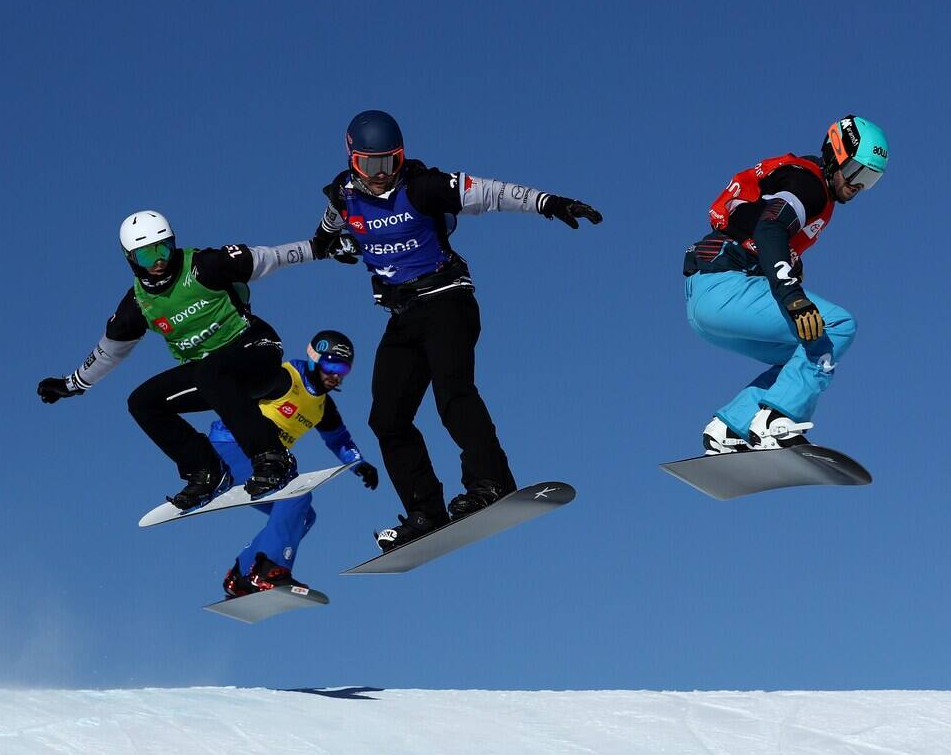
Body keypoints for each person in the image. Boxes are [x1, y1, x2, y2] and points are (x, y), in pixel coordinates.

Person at [310, 109, 602, 551]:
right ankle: (424, 511)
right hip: (402, 316)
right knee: (386, 418)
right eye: (372, 165)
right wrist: (333, 243)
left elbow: (491, 193)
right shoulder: (343, 197)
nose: (382, 174)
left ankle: (491, 483)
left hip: (447, 300)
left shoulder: (424, 186)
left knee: (453, 393)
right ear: (354, 161)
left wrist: (548, 202)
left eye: (391, 161)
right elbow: (329, 230)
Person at [37, 210, 336, 508]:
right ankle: (206, 471)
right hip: (215, 377)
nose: (158, 261)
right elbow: (109, 351)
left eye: (163, 248)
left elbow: (268, 258)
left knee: (209, 372)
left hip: (256, 350)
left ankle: (272, 457)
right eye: (146, 255)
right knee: (142, 403)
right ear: (130, 258)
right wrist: (72, 384)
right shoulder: (139, 304)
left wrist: (318, 248)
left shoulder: (203, 266)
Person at [682, 115, 889, 454]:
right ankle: (776, 421)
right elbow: (770, 228)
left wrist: (791, 265)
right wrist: (792, 295)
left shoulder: (806, 184)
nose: (858, 185)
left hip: (707, 296)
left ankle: (730, 426)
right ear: (836, 155)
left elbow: (763, 228)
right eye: (856, 172)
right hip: (723, 285)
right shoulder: (808, 185)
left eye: (871, 179)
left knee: (806, 353)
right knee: (835, 326)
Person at [217, 330, 379, 596]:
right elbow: (233, 395)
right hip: (233, 447)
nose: (336, 375)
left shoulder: (322, 406)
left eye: (344, 369)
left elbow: (339, 439)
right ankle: (268, 570)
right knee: (295, 498)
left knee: (303, 516)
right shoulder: (283, 378)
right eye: (332, 365)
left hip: (264, 461)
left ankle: (241, 574)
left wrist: (358, 464)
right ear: (315, 358)